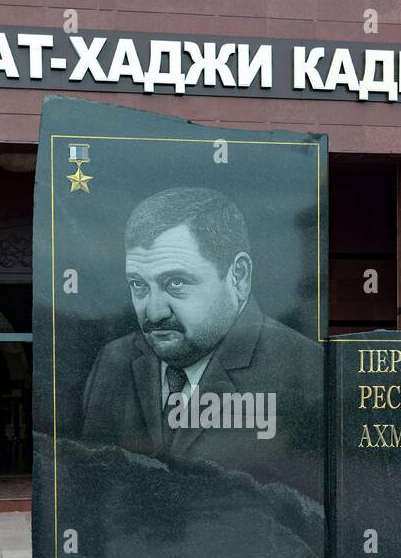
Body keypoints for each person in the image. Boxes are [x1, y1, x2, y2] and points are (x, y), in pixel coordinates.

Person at [80, 186, 322, 493]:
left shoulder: (306, 370)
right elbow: (90, 484)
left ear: (238, 277)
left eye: (176, 282)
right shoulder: (113, 362)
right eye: (139, 285)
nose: (153, 312)